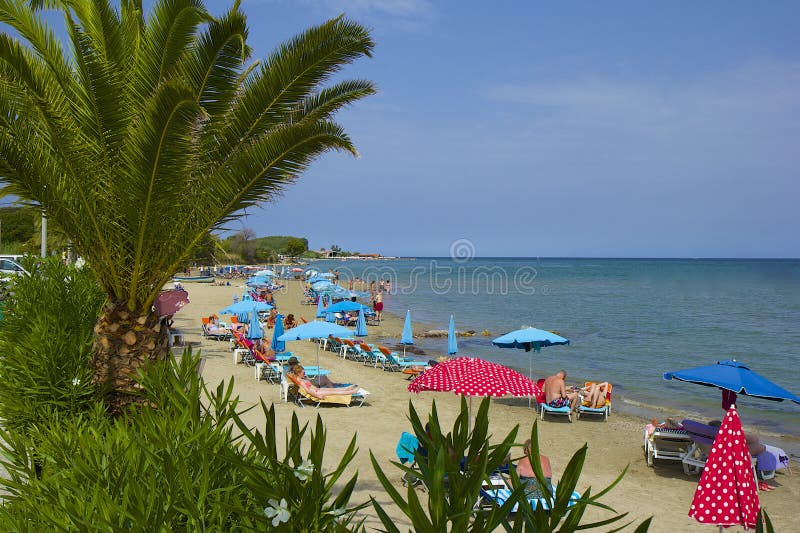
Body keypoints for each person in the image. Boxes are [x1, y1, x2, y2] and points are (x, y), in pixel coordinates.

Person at [290, 365, 359, 399]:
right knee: (334, 392)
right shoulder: (300, 381)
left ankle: (347, 388)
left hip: (318, 390)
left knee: (333, 389)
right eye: (303, 373)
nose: (304, 374)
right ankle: (352, 392)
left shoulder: (299, 378)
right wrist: (317, 396)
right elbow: (308, 391)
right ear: (298, 373)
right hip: (317, 392)